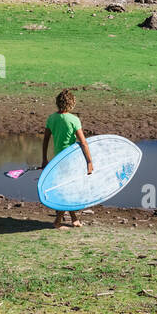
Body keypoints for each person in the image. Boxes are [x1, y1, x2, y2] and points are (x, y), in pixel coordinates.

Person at [41, 88, 94, 229]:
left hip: (56, 161)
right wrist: (89, 161)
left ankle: (73, 218)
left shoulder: (51, 118)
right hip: (70, 161)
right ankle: (58, 221)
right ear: (72, 104)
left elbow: (45, 140)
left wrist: (44, 159)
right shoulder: (74, 120)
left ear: (57, 103)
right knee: (68, 190)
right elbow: (83, 142)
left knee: (66, 189)